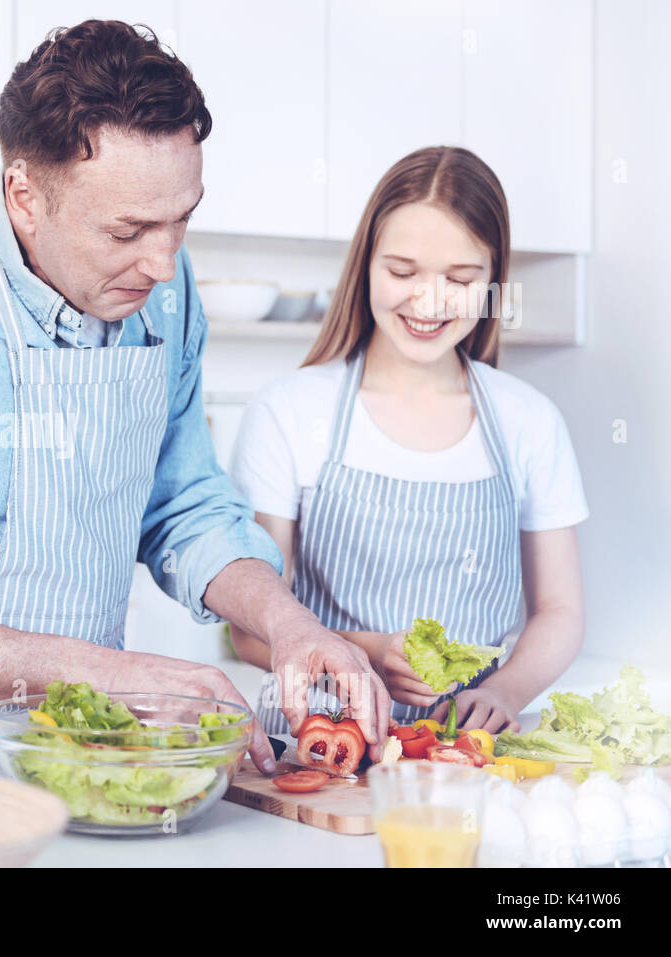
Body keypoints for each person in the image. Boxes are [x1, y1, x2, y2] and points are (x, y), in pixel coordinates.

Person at [0, 20, 390, 769]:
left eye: (182, 221)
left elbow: (183, 505)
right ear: (26, 196)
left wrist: (291, 624)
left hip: (87, 765)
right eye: (128, 230)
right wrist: (121, 676)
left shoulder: (160, 292)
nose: (164, 265)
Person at [228, 146, 588, 735]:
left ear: (493, 282)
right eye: (402, 272)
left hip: (466, 751)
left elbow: (561, 611)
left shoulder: (530, 421)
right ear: (365, 266)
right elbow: (249, 630)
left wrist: (503, 691)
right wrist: (366, 652)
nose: (428, 300)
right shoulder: (290, 410)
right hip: (316, 743)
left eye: (460, 278)